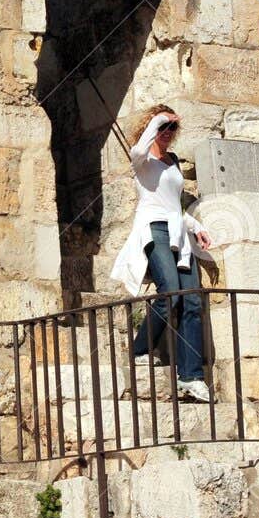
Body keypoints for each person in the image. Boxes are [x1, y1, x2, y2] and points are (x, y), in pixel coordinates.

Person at [111, 105, 214, 403]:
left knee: (192, 299)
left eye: (172, 129)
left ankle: (192, 376)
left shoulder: (172, 162)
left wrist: (196, 227)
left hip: (178, 232)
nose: (168, 133)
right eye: (163, 128)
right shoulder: (141, 160)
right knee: (170, 293)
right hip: (153, 229)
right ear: (152, 127)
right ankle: (140, 350)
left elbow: (174, 205)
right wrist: (161, 120)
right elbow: (139, 149)